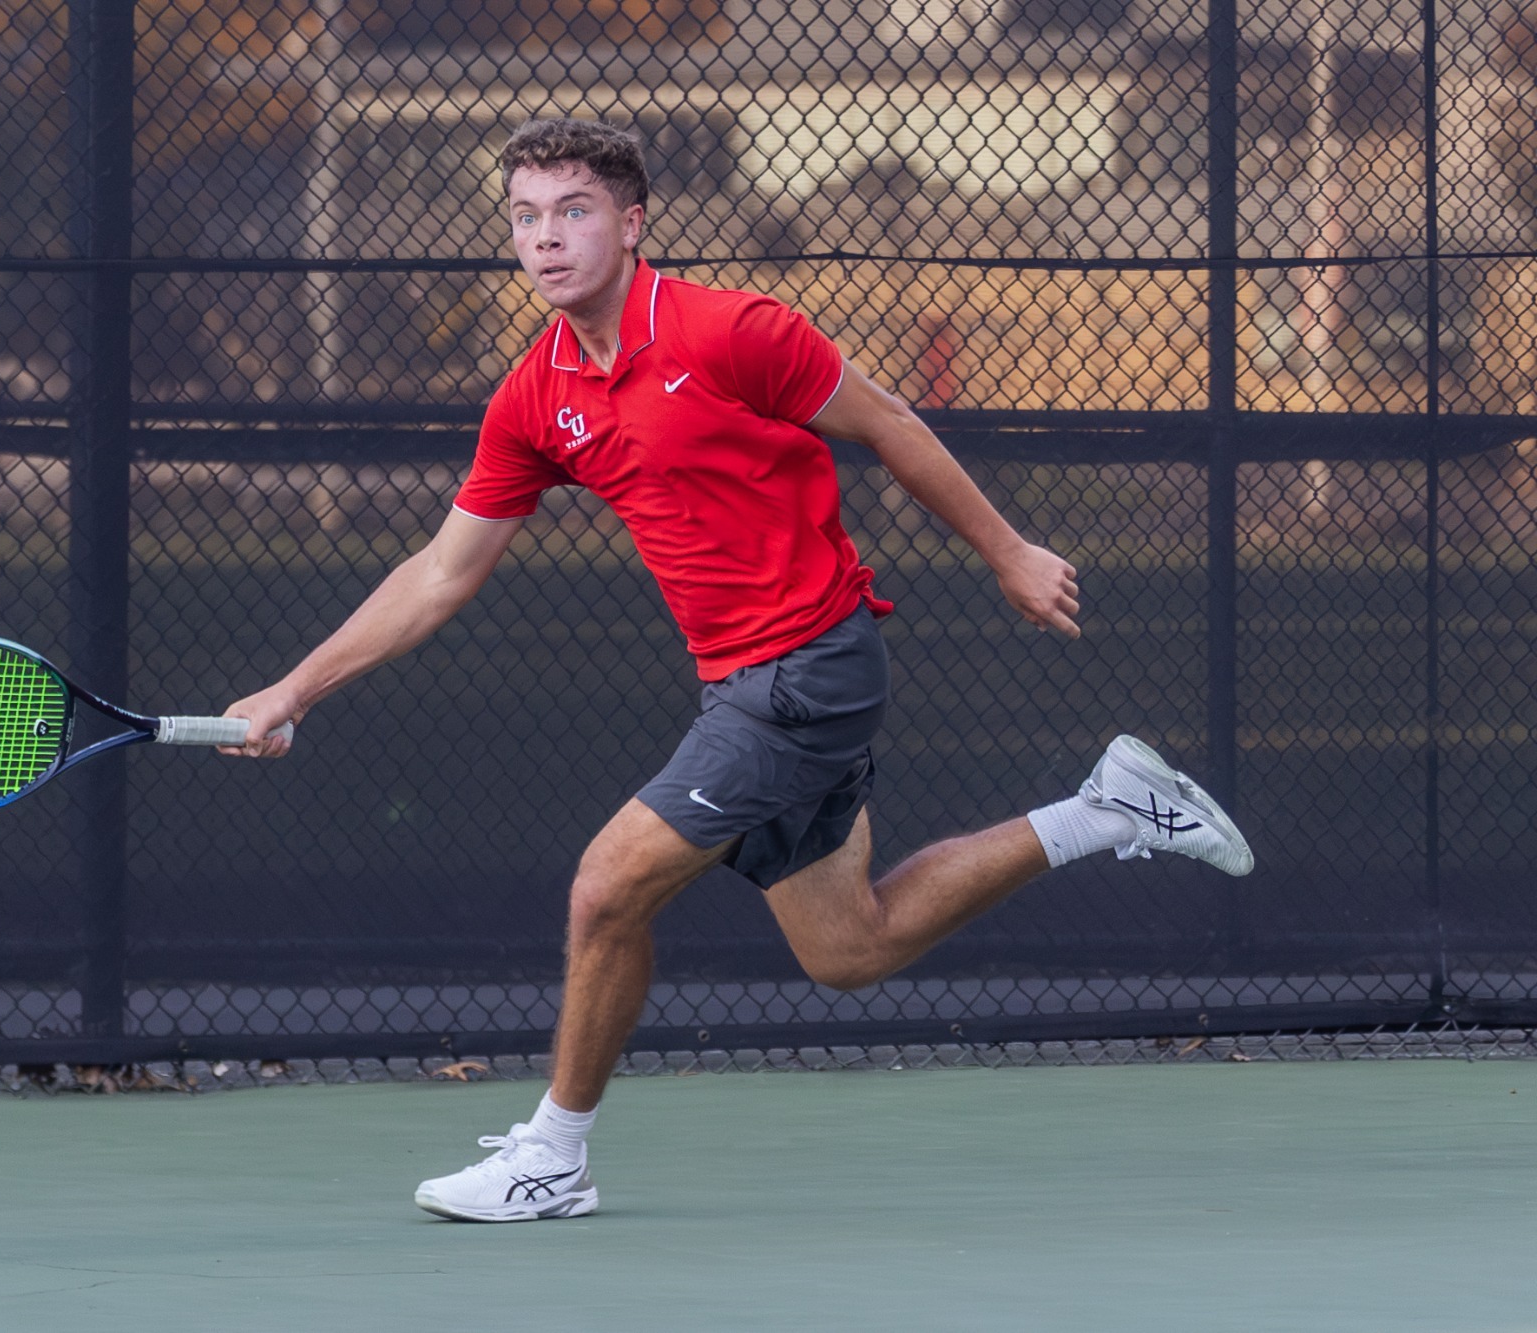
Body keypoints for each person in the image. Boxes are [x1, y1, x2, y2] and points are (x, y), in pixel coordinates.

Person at [221, 117, 1252, 1222]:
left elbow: (888, 422)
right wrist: (293, 689)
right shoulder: (535, 395)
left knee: (605, 887)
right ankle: (1106, 810)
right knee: (849, 946)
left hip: (807, 669)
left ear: (631, 223)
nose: (543, 239)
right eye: (523, 216)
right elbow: (439, 571)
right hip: (742, 681)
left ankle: (553, 1157)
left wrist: (1006, 552)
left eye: (571, 211)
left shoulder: (732, 332)